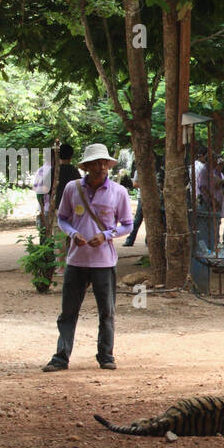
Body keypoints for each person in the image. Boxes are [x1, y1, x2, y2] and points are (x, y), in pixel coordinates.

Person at [42, 144, 133, 371]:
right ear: (87, 167)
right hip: (76, 260)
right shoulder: (73, 189)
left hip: (104, 261)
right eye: (96, 163)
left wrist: (106, 235)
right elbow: (62, 218)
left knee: (107, 312)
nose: (101, 167)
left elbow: (128, 225)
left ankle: (106, 356)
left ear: (109, 165)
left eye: (104, 163)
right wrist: (73, 233)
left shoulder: (118, 192)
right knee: (68, 312)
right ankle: (61, 357)